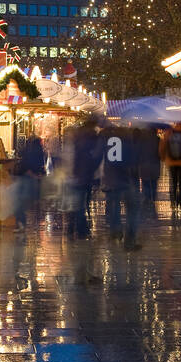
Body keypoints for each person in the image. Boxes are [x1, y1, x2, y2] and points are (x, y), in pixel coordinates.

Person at [66, 117, 104, 284]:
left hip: (76, 176)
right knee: (82, 204)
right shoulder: (92, 139)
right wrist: (94, 173)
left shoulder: (78, 137)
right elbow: (95, 159)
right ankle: (81, 230)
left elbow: (72, 157)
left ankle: (72, 229)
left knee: (78, 203)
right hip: (85, 177)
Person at [100, 123, 139, 248]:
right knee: (132, 209)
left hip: (110, 180)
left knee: (113, 207)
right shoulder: (127, 143)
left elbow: (103, 159)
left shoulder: (109, 142)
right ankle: (130, 238)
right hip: (125, 180)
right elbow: (131, 161)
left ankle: (115, 231)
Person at [12, 134, 47, 232]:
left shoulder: (28, 151)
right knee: (23, 202)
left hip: (25, 178)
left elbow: (25, 165)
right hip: (31, 179)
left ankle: (21, 224)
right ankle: (23, 224)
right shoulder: (40, 152)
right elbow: (40, 166)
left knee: (19, 202)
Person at [137, 126, 162, 219]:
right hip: (155, 165)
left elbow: (138, 152)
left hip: (144, 165)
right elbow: (160, 153)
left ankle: (147, 199)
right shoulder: (158, 139)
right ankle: (152, 199)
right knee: (154, 183)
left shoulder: (141, 140)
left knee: (145, 183)